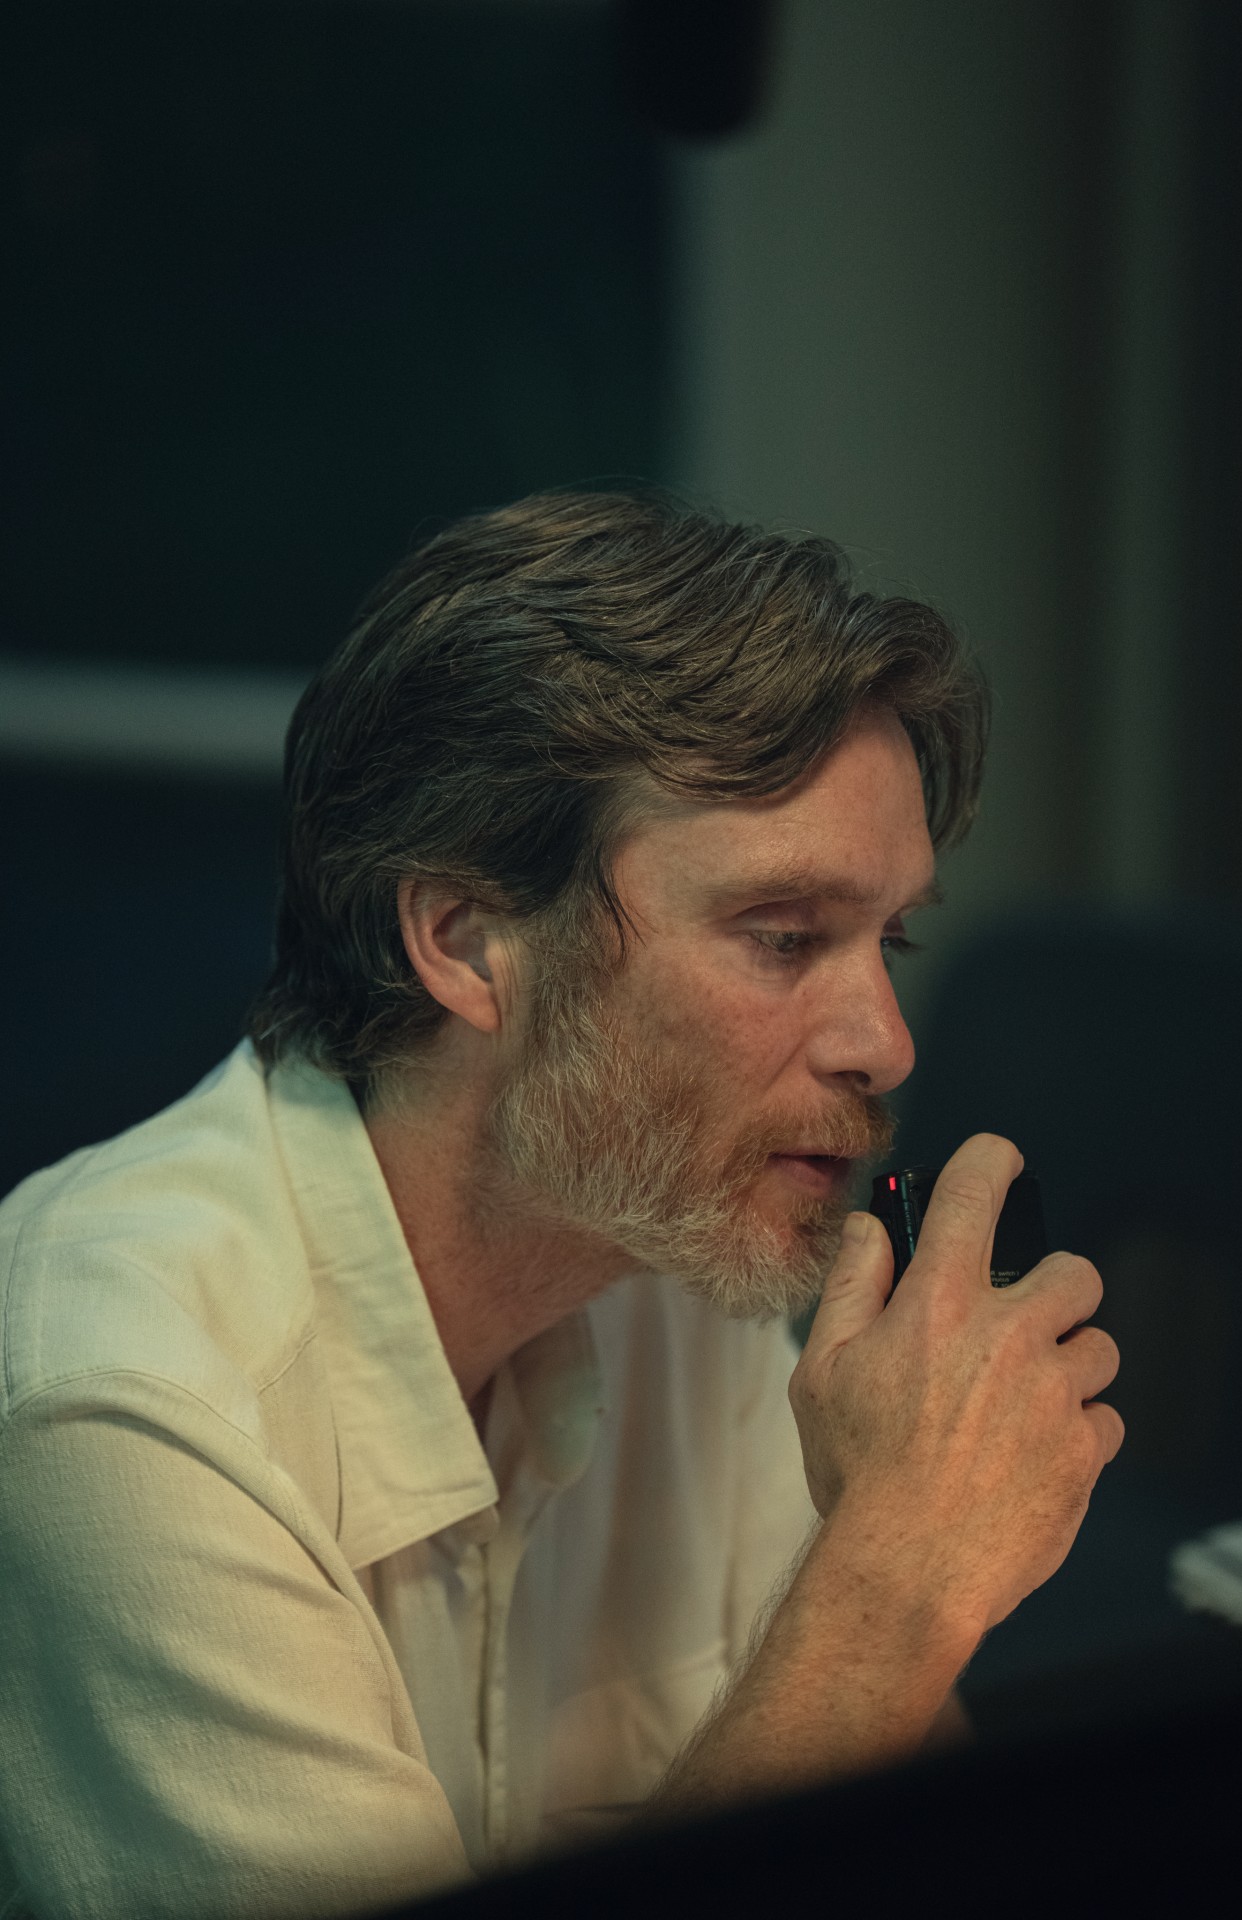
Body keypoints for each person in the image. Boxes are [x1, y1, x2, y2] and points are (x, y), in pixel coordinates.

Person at [0, 490, 1123, 1919]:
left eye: (887, 939)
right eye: (785, 938)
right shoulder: (122, 1410)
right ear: (469, 944)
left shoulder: (672, 1249)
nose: (886, 1043)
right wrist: (893, 1577)